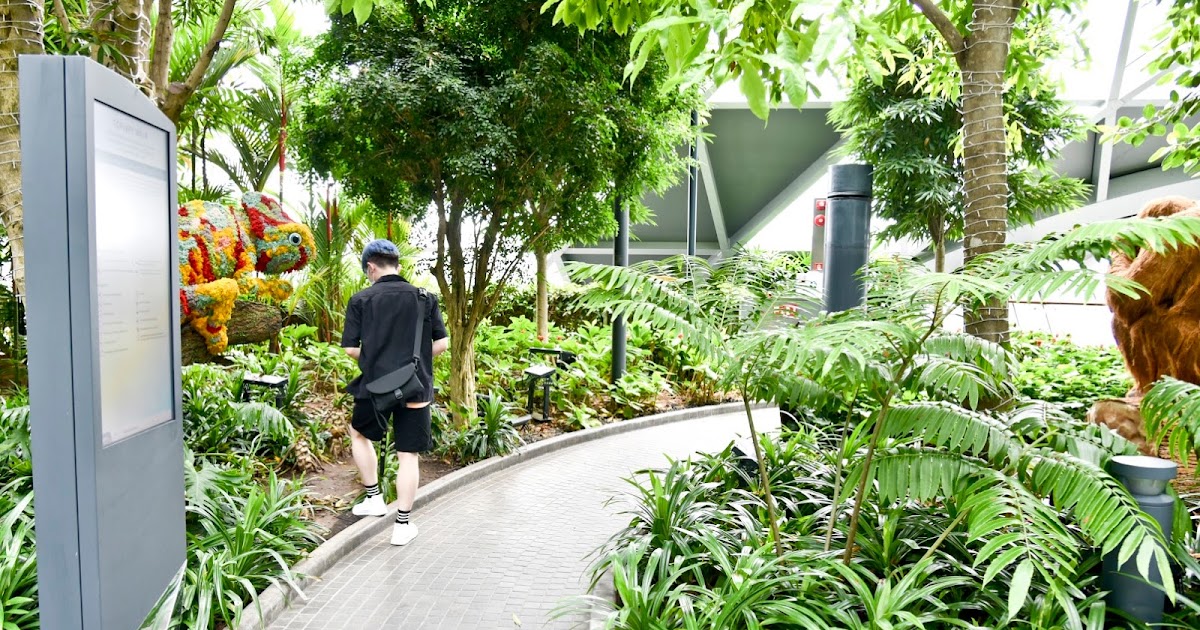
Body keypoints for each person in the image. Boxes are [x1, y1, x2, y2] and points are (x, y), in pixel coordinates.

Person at [342, 239, 448, 546]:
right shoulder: (424, 297)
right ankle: (402, 525)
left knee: (359, 433)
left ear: (371, 268)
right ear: (398, 266)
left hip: (375, 386)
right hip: (416, 384)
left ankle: (374, 497)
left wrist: (380, 360)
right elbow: (441, 344)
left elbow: (351, 347)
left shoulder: (361, 299)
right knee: (408, 454)